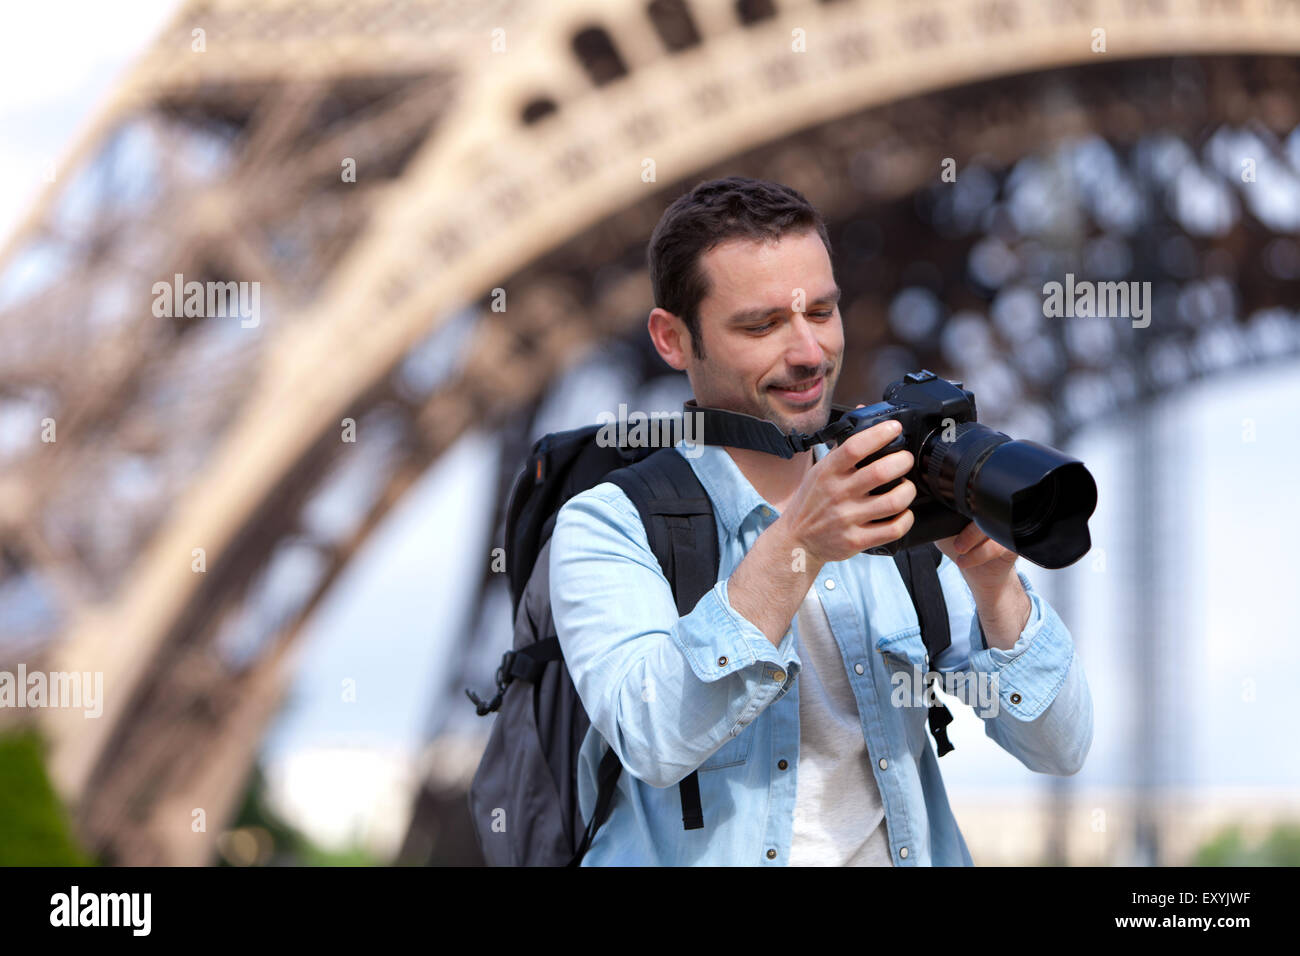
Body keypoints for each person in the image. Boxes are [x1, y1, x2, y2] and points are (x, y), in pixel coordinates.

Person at [549, 175, 1093, 865]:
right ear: (673, 339)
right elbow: (654, 738)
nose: (808, 352)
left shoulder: (897, 510)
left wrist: (994, 585)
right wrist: (800, 544)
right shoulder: (611, 525)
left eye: (823, 312)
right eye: (762, 324)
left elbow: (1061, 746)